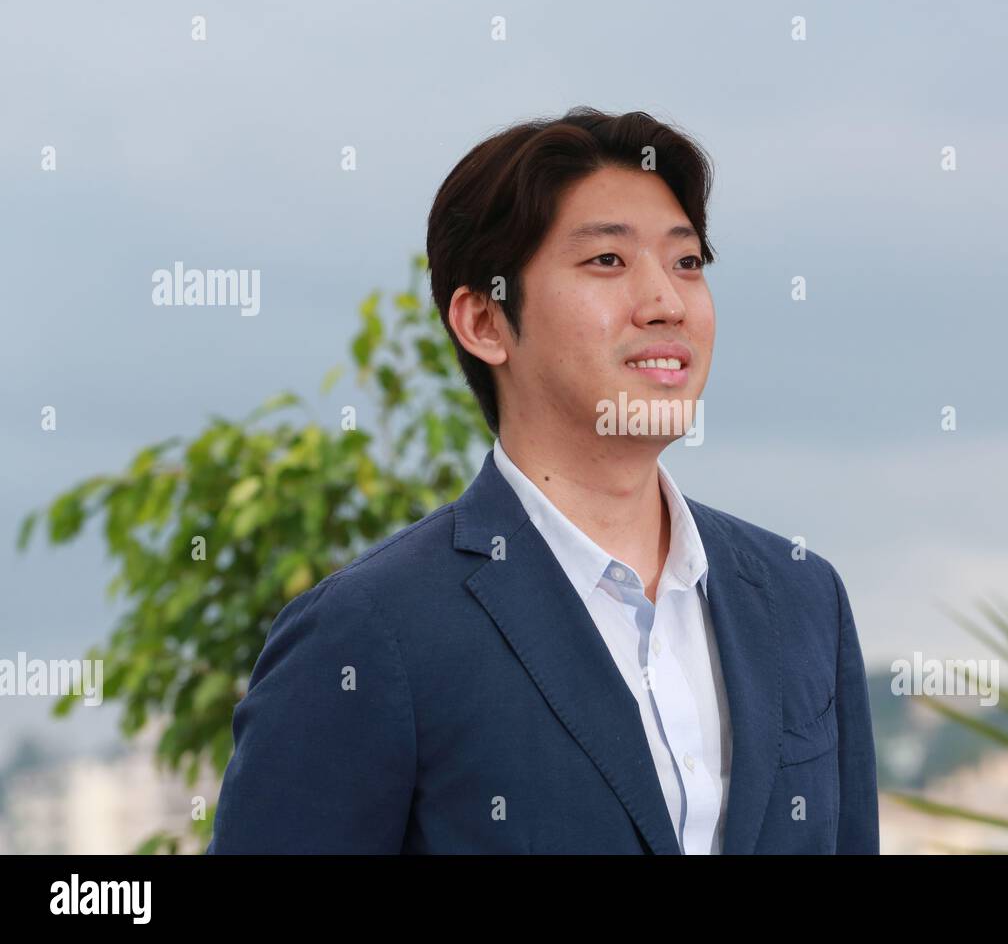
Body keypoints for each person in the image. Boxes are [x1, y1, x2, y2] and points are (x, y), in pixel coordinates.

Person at [208, 107, 878, 854]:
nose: (667, 302)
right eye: (608, 262)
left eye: (686, 263)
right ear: (485, 322)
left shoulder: (800, 596)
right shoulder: (371, 632)